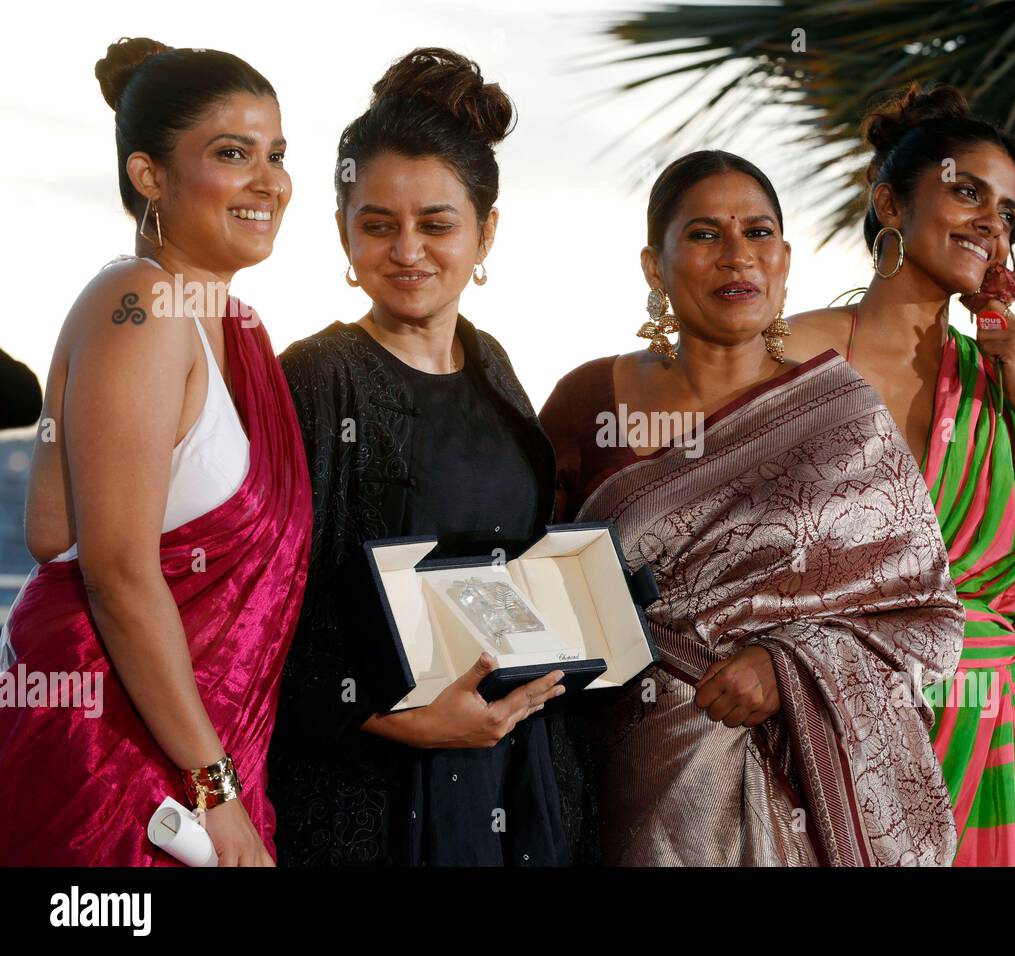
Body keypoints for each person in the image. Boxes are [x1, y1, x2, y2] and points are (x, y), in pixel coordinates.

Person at [540, 150, 965, 866]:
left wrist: (787, 667)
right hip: (624, 776)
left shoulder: (845, 416)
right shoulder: (589, 401)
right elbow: (534, 585)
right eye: (705, 235)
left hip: (794, 792)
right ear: (655, 266)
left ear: (786, 257)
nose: (738, 256)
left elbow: (928, 621)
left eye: (759, 233)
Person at [0, 37, 308, 865]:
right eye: (233, 153)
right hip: (118, 767)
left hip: (201, 755)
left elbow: (47, 532)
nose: (269, 181)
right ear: (148, 176)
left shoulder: (233, 330)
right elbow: (116, 569)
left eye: (277, 155)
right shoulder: (139, 303)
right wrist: (214, 787)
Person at [266, 48, 568, 867]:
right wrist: (403, 720)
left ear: (485, 232)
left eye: (437, 224)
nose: (408, 251)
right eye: (377, 224)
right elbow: (261, 613)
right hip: (363, 787)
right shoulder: (311, 379)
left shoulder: (494, 362)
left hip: (506, 770)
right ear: (342, 232)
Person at [785, 83, 1015, 866]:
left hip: (1005, 765)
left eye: (1009, 213)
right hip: (844, 746)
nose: (991, 224)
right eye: (966, 192)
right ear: (889, 203)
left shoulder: (995, 385)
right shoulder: (793, 354)